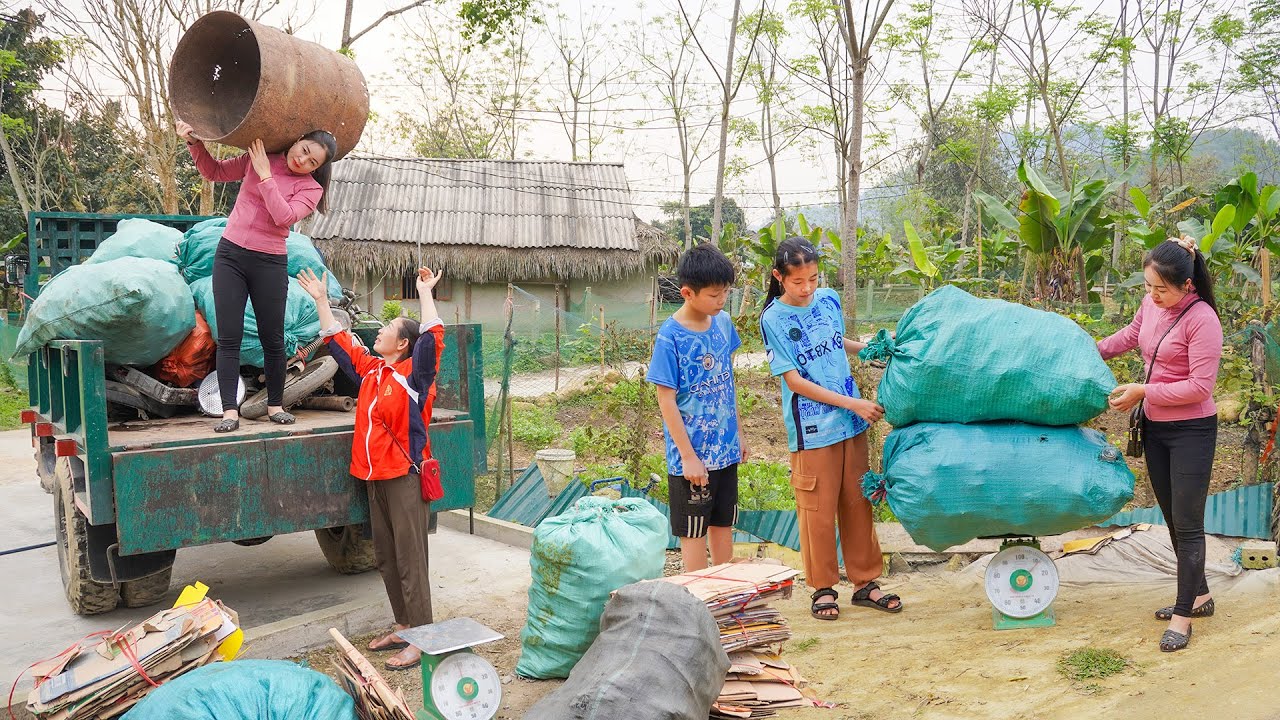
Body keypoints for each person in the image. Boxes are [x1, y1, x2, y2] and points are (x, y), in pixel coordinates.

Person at [298, 265, 446, 671]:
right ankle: (403, 626)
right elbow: (339, 342)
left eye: (387, 329)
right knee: (386, 557)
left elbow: (433, 339)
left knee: (411, 559)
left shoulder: (415, 376)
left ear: (403, 344)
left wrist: (424, 293)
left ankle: (422, 638)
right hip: (374, 478)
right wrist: (321, 301)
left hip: (404, 478)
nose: (377, 332)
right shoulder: (373, 371)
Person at [759, 237, 902, 620]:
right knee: (817, 512)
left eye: (813, 279)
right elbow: (794, 382)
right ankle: (822, 588)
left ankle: (865, 583)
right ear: (779, 277)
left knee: (858, 503)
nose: (807, 288)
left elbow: (835, 342)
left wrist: (868, 349)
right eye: (798, 281)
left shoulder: (828, 300)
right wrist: (854, 402)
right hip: (813, 431)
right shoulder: (773, 319)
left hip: (851, 424)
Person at [1098, 235, 1223, 652]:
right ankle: (1199, 596)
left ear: (1187, 284)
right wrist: (1089, 351)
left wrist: (1143, 391)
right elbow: (1131, 334)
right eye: (1148, 286)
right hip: (1155, 428)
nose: (1153, 295)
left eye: (1161, 289)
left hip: (1192, 431)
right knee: (1172, 518)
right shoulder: (1152, 304)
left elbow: (1200, 386)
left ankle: (1183, 617)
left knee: (1188, 526)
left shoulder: (1202, 319)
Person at [175, 120, 338, 433]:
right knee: (228, 337)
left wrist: (265, 176)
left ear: (317, 169)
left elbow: (284, 217)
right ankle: (229, 412)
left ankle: (275, 406)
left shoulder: (311, 189)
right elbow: (214, 172)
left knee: (272, 338)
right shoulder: (260, 156)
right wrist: (195, 144)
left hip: (270, 262)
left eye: (312, 162)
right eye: (304, 150)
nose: (303, 160)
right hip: (230, 257)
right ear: (296, 140)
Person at [646, 244, 746, 572]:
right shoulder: (670, 337)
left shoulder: (723, 323)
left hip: (726, 452)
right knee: (693, 532)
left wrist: (739, 435)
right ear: (688, 293)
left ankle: (725, 593)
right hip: (691, 461)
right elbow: (666, 399)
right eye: (715, 295)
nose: (722, 300)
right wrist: (688, 456)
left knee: (723, 524)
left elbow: (727, 383)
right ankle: (699, 597)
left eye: (726, 292)